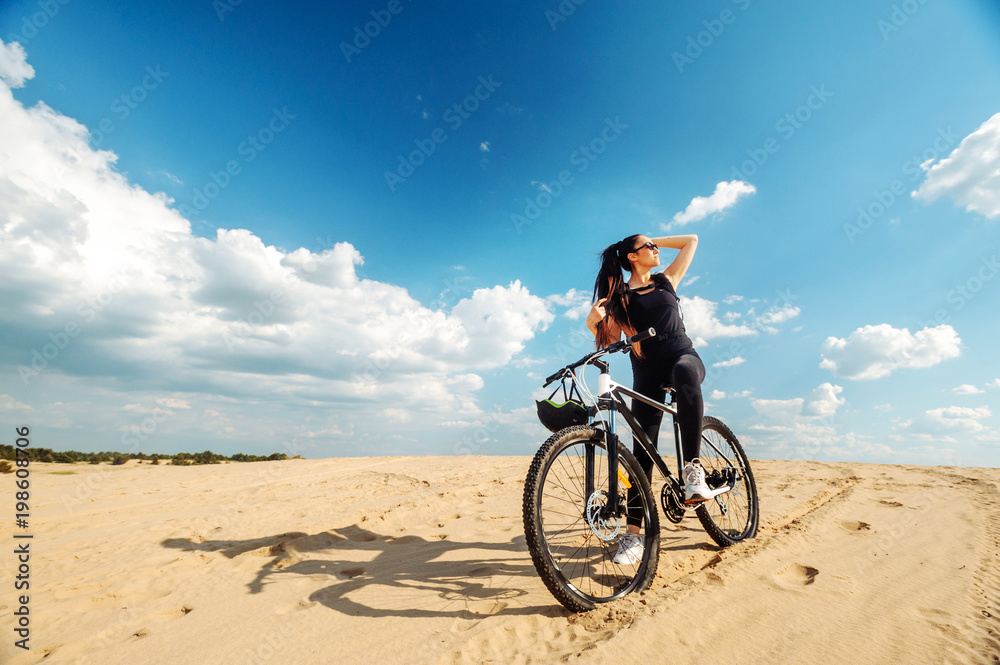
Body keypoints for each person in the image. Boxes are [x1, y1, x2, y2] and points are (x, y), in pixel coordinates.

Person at [585, 234, 709, 565]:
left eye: (654, 247)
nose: (655, 250)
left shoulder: (666, 280)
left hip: (683, 356)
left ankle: (693, 469)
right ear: (632, 257)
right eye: (649, 248)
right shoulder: (619, 298)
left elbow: (691, 241)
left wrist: (653, 239)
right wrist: (592, 322)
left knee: (684, 371)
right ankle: (633, 536)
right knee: (643, 455)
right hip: (646, 373)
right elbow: (609, 340)